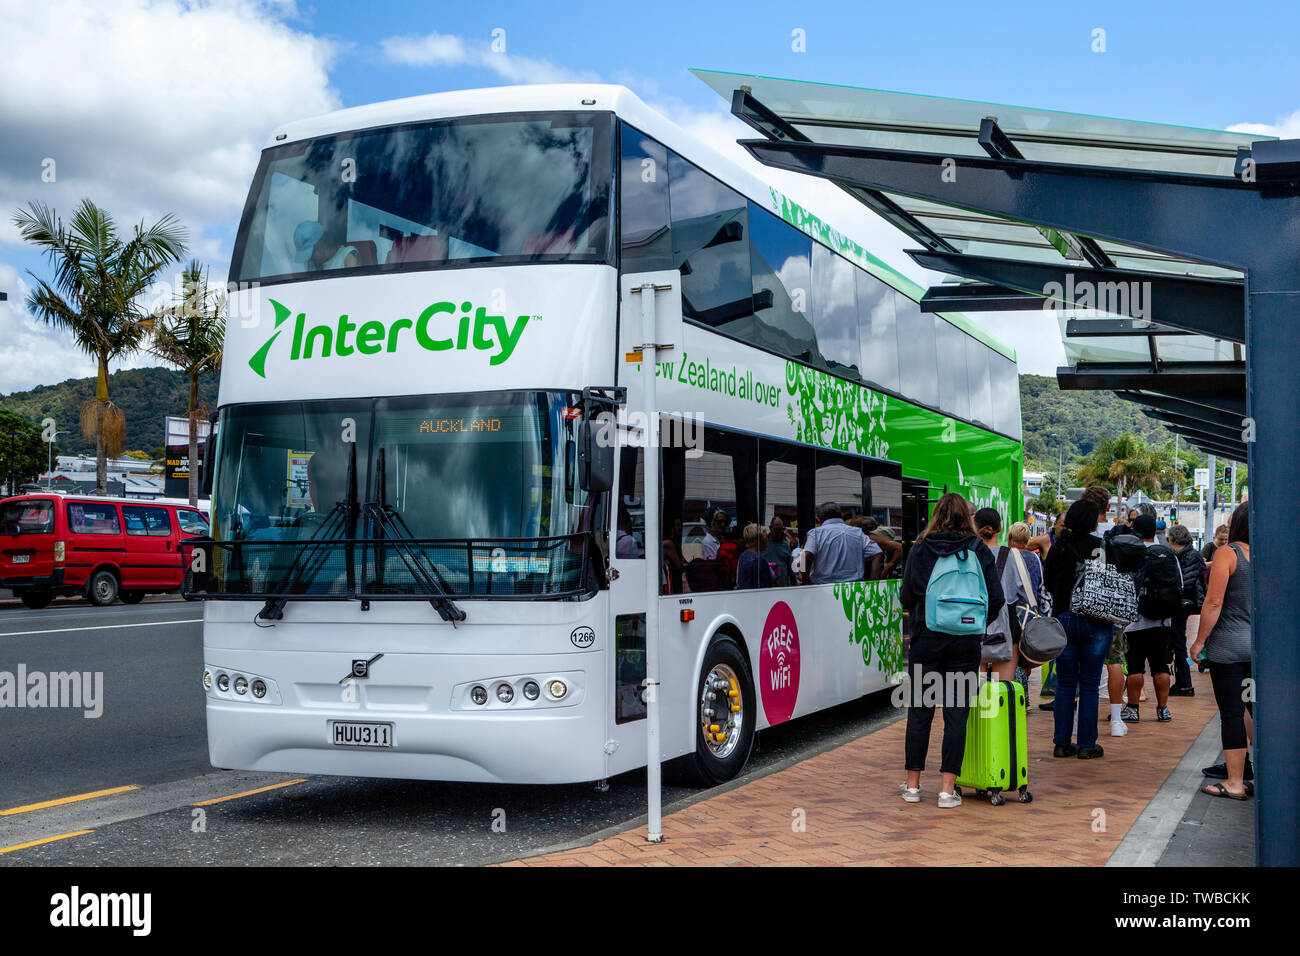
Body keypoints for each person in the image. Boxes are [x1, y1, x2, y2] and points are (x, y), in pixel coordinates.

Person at [899, 493, 1005, 808]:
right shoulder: (979, 551)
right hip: (965, 642)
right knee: (956, 714)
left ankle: (913, 787)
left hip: (926, 639)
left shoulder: (920, 548)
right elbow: (996, 599)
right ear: (967, 518)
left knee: (920, 711)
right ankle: (947, 790)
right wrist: (972, 622)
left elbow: (907, 596)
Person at [1190, 502, 1253, 799]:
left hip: (1228, 650)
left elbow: (1213, 602)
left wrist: (1200, 641)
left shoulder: (1229, 553)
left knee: (1231, 713)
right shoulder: (1269, 554)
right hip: (1259, 650)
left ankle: (1235, 782)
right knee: (1256, 710)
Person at [1042, 499, 1111, 758]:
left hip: (1064, 619)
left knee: (1065, 683)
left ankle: (1061, 742)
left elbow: (1048, 583)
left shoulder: (1059, 547)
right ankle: (1086, 744)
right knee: (1090, 684)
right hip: (1096, 620)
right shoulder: (1101, 547)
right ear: (1092, 521)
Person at [1120, 514, 1181, 724]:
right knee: (1161, 666)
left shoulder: (1131, 553)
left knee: (1135, 666)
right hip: (1163, 621)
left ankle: (1133, 709)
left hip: (1136, 620)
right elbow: (1178, 584)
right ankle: (1163, 709)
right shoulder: (1167, 553)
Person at [1080, 486, 1130, 737]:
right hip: (1110, 607)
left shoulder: (1077, 533)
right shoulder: (1116, 535)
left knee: (1079, 662)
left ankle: (1079, 717)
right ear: (1107, 507)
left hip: (1080, 606)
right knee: (1114, 662)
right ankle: (1117, 720)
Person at [1167, 523, 1207, 696]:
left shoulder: (1190, 556)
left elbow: (1184, 583)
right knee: (1177, 642)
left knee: (1178, 643)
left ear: (1175, 540)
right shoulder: (1187, 555)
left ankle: (1184, 683)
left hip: (1184, 604)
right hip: (1182, 604)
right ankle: (1182, 682)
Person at [801, 501, 882, 585]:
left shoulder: (816, 533)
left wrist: (805, 580)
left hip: (823, 588)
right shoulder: (858, 532)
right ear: (842, 515)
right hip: (854, 588)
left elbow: (806, 556)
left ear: (818, 519)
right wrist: (873, 583)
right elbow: (877, 553)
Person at [736, 523, 773, 589]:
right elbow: (766, 588)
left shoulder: (743, 555)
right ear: (760, 538)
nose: (767, 539)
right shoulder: (759, 560)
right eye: (766, 536)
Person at [763, 515, 793, 586]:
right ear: (771, 528)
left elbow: (791, 571)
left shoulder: (786, 546)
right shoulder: (763, 544)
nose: (779, 532)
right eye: (776, 529)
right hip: (766, 586)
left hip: (782, 586)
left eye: (781, 529)